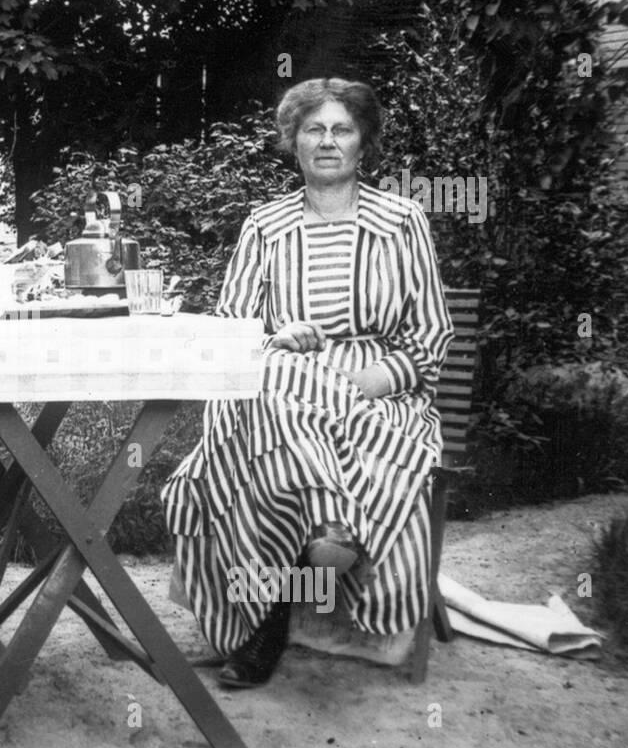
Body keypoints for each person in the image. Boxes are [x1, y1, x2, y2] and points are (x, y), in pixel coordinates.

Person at [161, 78, 454, 688]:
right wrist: (277, 338)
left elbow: (430, 335)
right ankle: (328, 525)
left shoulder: (402, 221)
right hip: (283, 394)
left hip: (380, 401)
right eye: (312, 130)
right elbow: (232, 330)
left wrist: (368, 381)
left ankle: (265, 626)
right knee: (275, 389)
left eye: (341, 129)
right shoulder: (265, 226)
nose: (327, 142)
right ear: (292, 144)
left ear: (362, 143)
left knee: (268, 426)